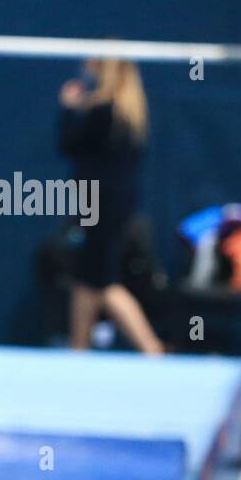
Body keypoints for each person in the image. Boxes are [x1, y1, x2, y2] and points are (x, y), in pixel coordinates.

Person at [58, 57, 164, 354]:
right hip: (114, 203)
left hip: (99, 204)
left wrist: (68, 109)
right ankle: (78, 347)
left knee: (101, 281)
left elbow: (70, 145)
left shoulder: (102, 110)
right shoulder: (129, 111)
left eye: (92, 64)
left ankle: (151, 347)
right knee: (87, 275)